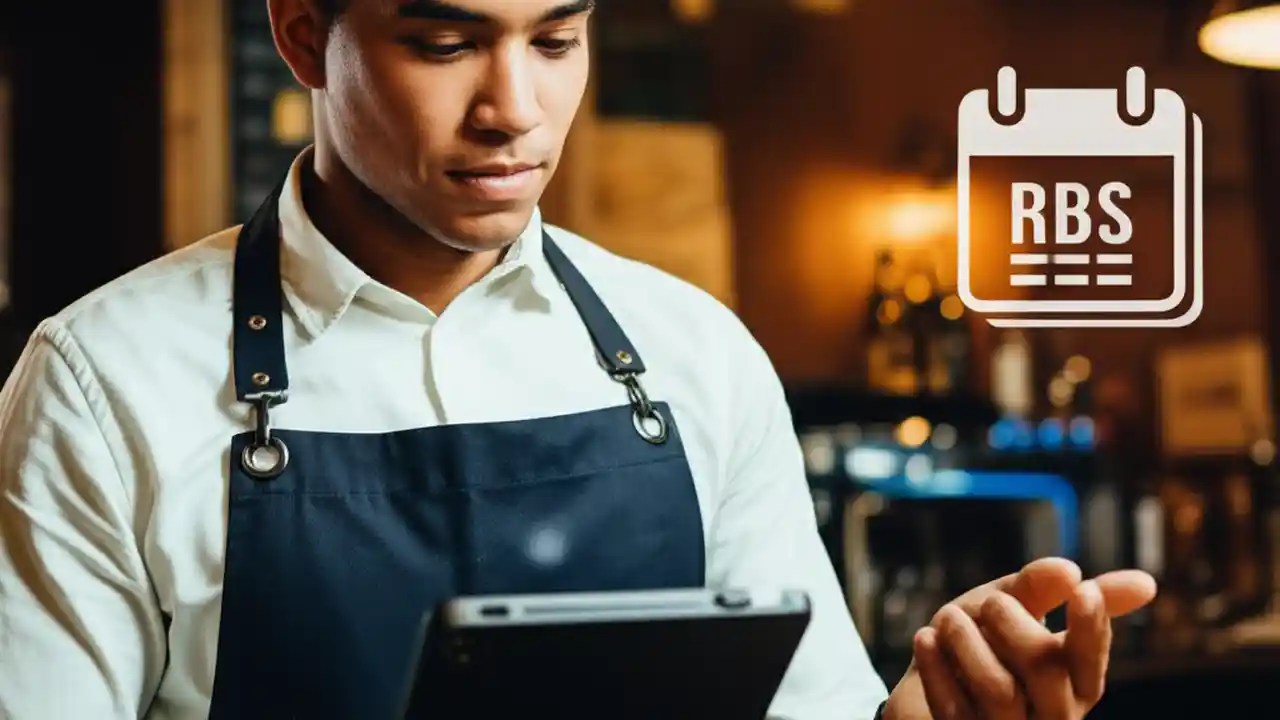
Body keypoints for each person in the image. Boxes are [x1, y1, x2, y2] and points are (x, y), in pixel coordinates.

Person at [0, 1, 1156, 718]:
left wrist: (934, 716)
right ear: (303, 33)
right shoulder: (103, 384)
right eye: (445, 43)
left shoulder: (695, 354)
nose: (516, 108)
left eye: (555, 39)